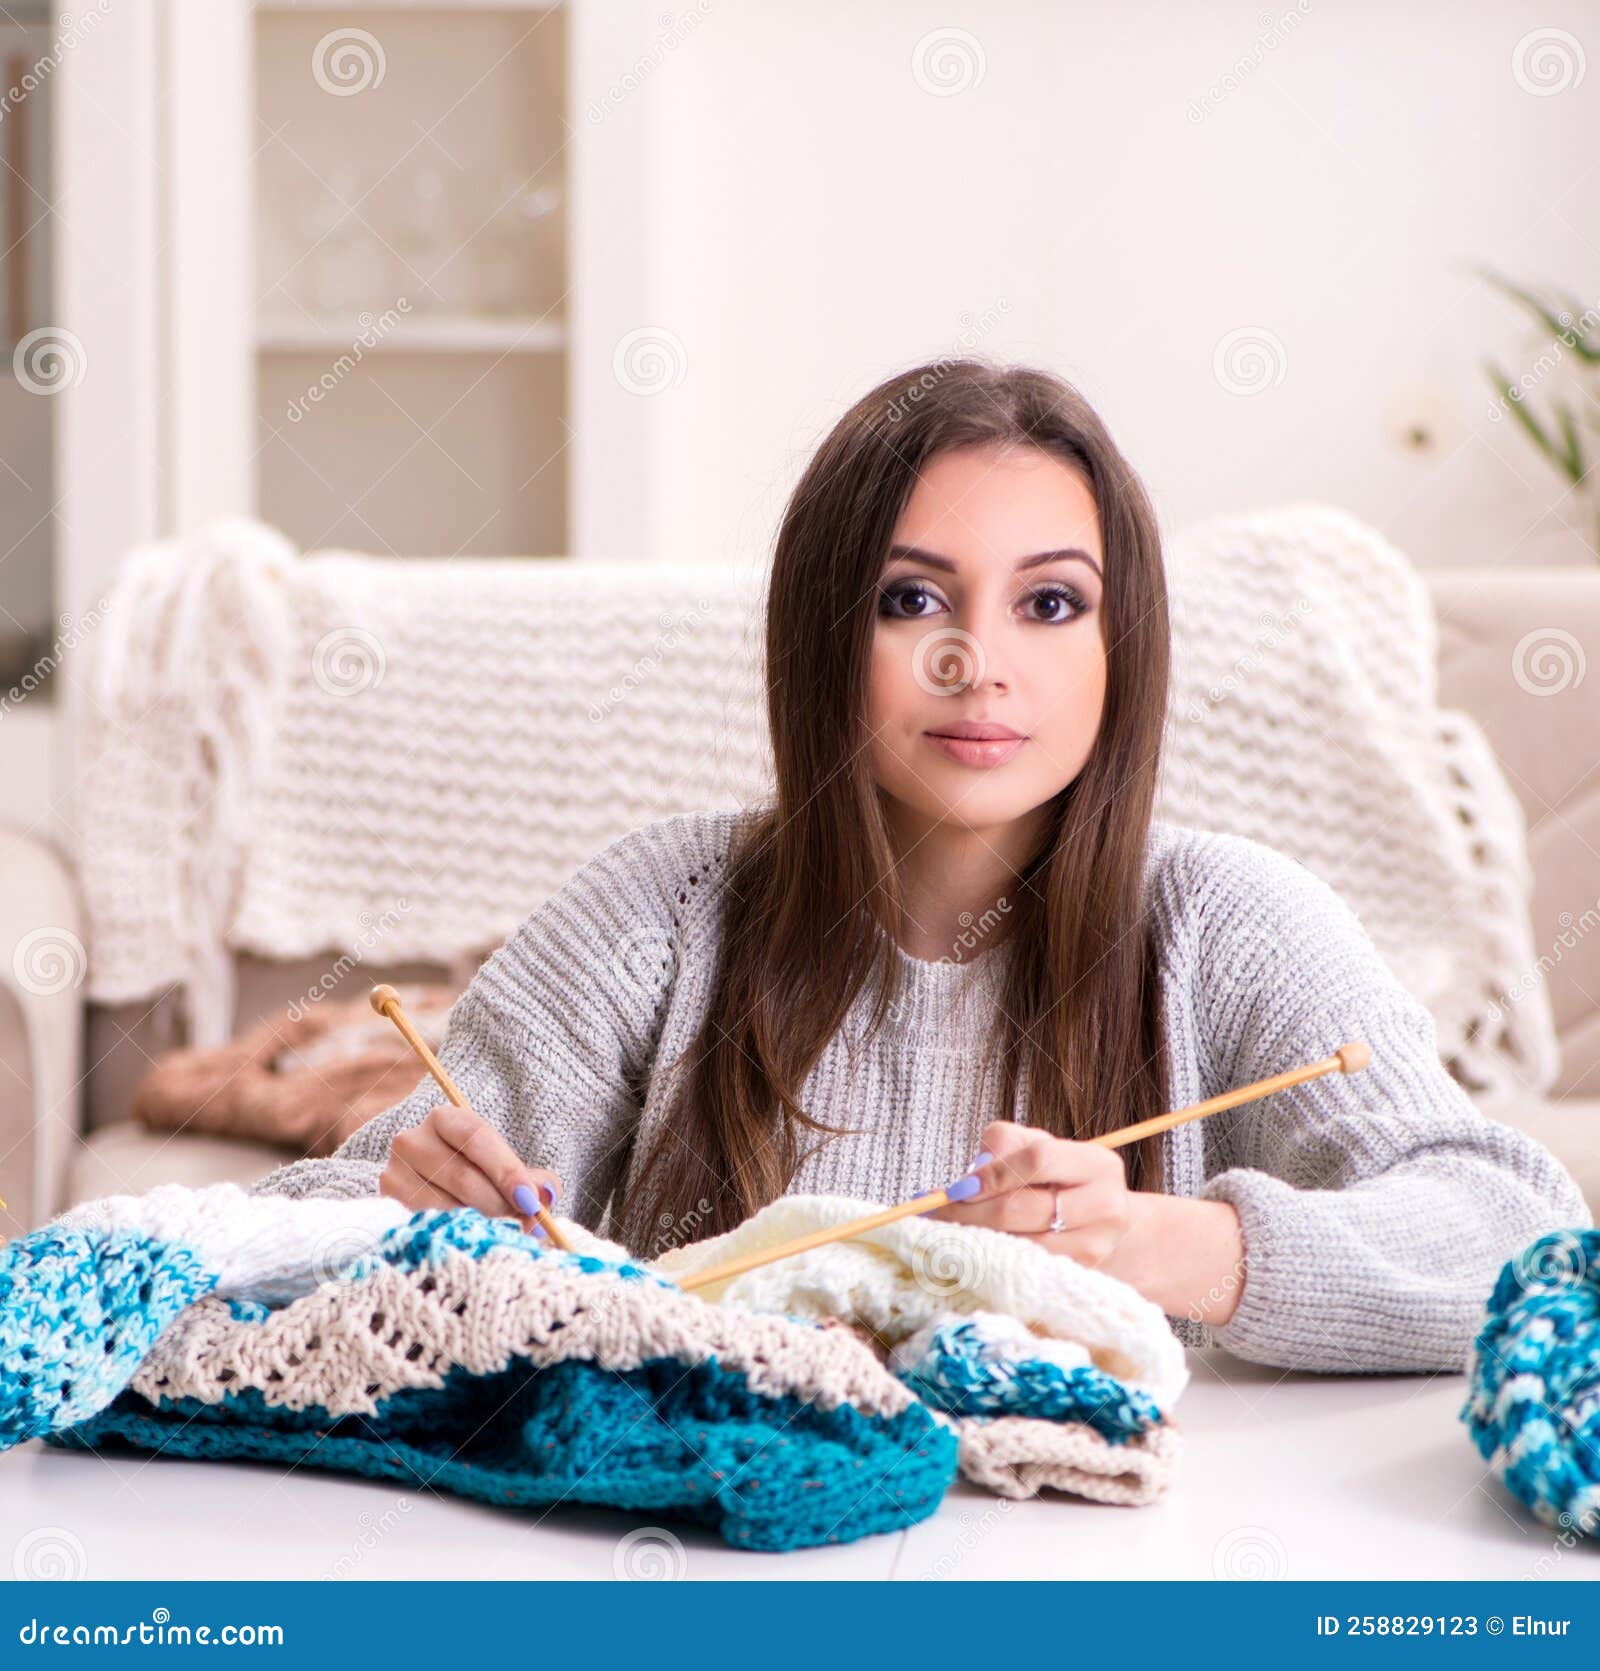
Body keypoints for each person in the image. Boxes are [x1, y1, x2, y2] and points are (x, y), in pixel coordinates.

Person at [252, 357, 1591, 1373]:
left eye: (1050, 603)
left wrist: (1172, 1246)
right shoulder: (654, 910)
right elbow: (281, 1236)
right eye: (911, 600)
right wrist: (405, 1203)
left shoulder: (1229, 925)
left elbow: (1519, 1239)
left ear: (1121, 645)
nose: (979, 661)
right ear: (822, 636)